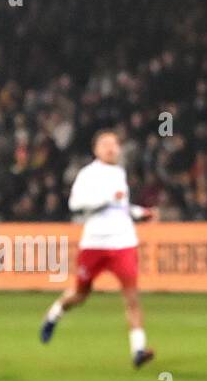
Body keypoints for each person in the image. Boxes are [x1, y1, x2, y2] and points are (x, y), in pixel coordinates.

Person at [40, 129, 157, 368]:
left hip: (123, 242)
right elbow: (75, 204)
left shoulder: (119, 173)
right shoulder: (87, 174)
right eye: (106, 144)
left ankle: (138, 350)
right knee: (80, 295)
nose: (112, 148)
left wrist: (139, 212)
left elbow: (120, 206)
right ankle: (54, 314)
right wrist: (105, 200)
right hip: (94, 243)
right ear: (96, 150)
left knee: (132, 297)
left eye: (115, 144)